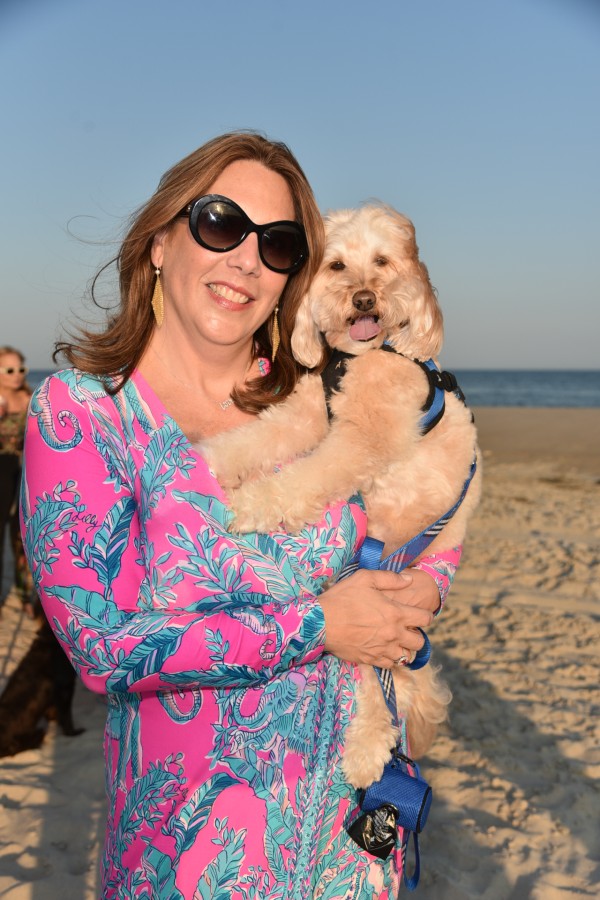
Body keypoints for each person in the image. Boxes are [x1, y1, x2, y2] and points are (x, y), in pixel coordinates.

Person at [20, 132, 462, 898]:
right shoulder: (85, 414)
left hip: (352, 844)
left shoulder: (321, 396)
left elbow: (424, 510)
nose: (247, 260)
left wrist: (426, 587)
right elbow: (103, 645)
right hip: (194, 858)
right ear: (161, 240)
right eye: (221, 224)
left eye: (280, 243)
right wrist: (319, 625)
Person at [0, 346, 34, 611]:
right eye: (9, 370)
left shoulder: (31, 398)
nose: (16, 375)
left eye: (19, 369)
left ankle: (25, 596)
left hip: (25, 474)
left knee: (22, 536)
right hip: (1, 472)